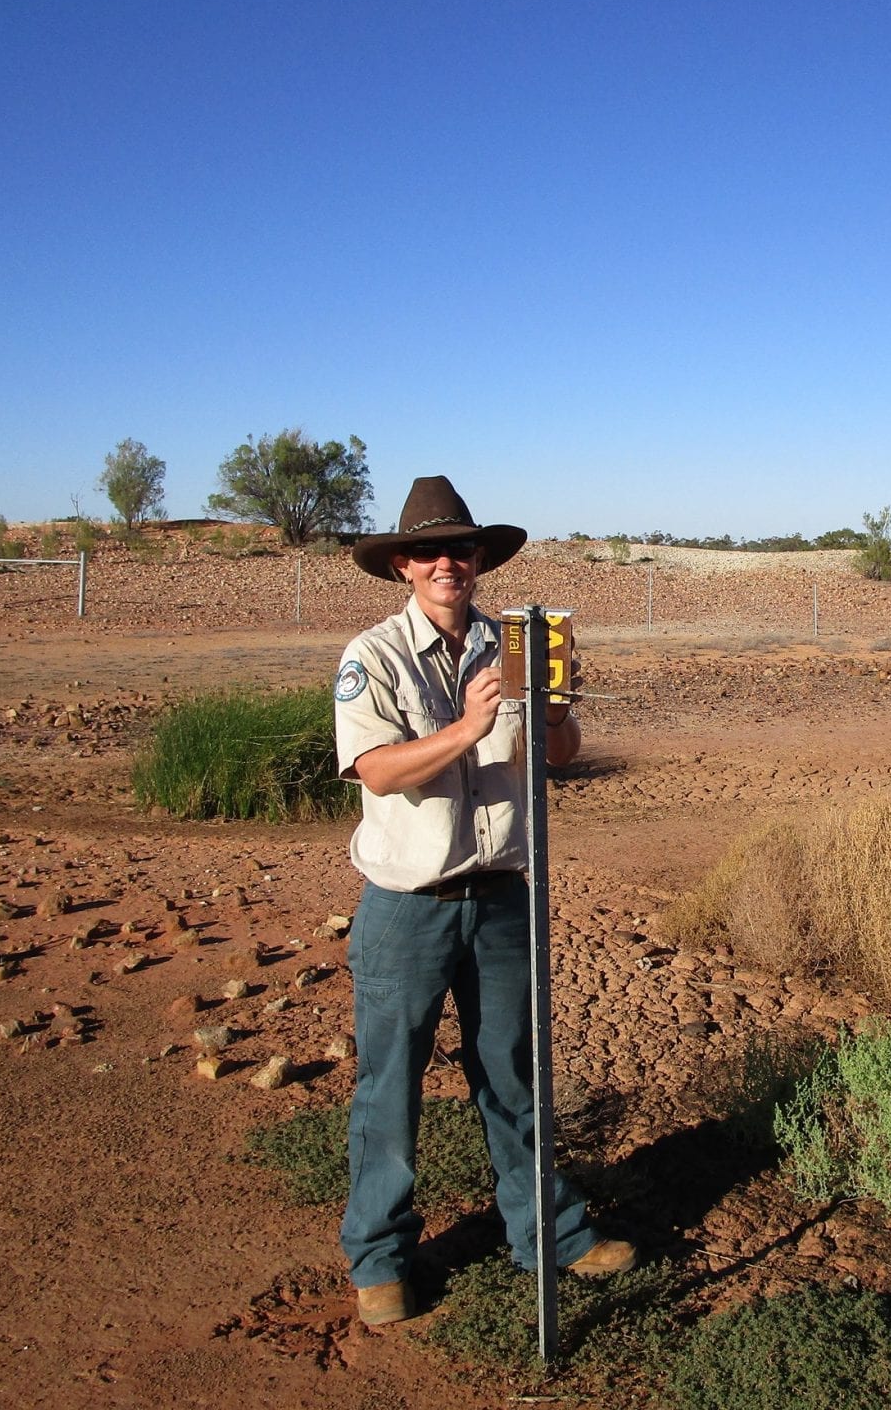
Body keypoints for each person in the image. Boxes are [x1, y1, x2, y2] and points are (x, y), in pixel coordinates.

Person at [333, 475, 633, 1328]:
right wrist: (466, 727)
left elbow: (560, 755)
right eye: (428, 550)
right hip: (408, 906)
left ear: (477, 560)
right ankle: (380, 1260)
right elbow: (377, 769)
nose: (446, 563)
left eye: (460, 549)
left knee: (514, 1073)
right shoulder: (373, 657)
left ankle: (552, 1237)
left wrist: (557, 707)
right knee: (389, 1087)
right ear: (402, 566)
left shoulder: (516, 644)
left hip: (502, 896)